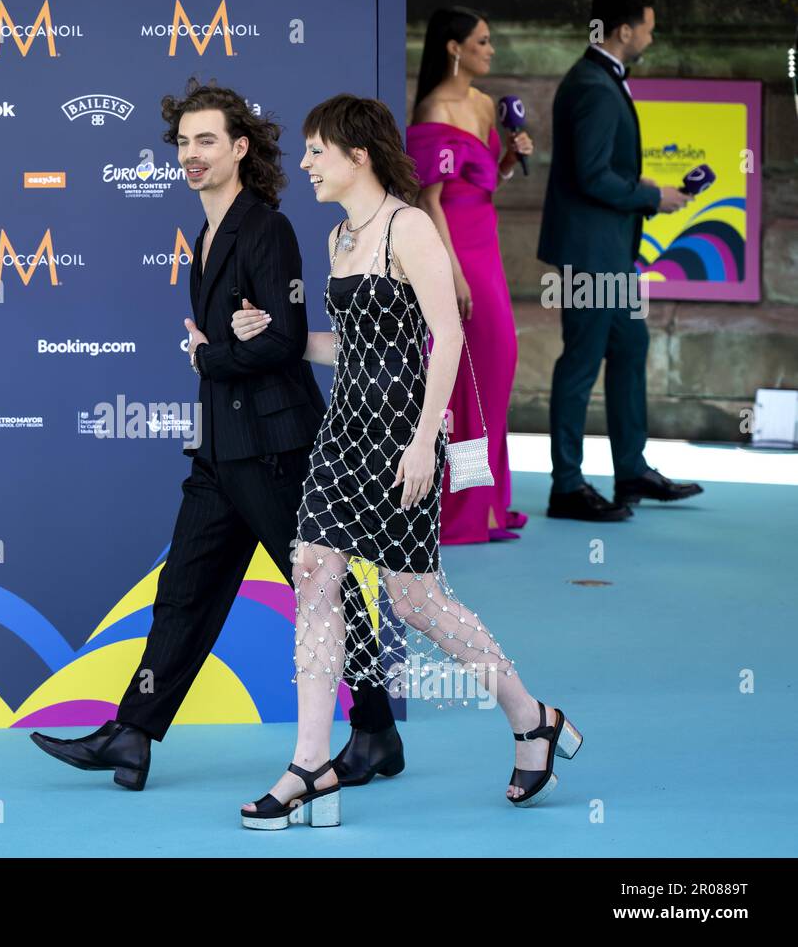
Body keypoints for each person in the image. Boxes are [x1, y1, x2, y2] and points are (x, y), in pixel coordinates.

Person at [30, 79, 405, 792]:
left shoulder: (266, 228)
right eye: (183, 141)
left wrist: (210, 356)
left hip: (274, 446)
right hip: (220, 450)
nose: (191, 154)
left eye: (207, 140)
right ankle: (133, 734)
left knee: (321, 588)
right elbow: (246, 339)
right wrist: (223, 353)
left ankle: (377, 728)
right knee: (183, 590)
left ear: (240, 148)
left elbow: (287, 339)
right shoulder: (205, 235)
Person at [230, 94, 582, 829]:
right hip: (344, 432)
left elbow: (445, 339)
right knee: (314, 571)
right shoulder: (338, 238)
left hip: (400, 434)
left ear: (358, 153)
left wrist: (425, 442)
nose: (306, 164)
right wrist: (281, 339)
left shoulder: (409, 225)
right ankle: (309, 764)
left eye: (317, 150)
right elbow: (349, 349)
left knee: (416, 600)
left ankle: (531, 716)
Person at [538, 0, 704, 520]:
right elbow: (591, 176)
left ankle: (631, 470)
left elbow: (598, 172)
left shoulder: (596, 78)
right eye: (648, 28)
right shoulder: (593, 85)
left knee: (631, 346)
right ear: (624, 31)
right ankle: (566, 486)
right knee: (581, 363)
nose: (652, 37)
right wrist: (653, 195)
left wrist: (645, 192)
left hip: (608, 253)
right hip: (591, 256)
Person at [410, 6, 532, 543]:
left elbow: (488, 183)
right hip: (456, 250)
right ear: (454, 47)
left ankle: (485, 501)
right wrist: (452, 273)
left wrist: (508, 158)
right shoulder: (433, 110)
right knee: (467, 382)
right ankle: (460, 507)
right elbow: (429, 200)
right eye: (482, 41)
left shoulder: (485, 105)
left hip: (488, 246)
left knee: (497, 367)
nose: (491, 50)